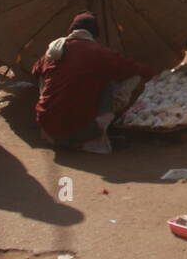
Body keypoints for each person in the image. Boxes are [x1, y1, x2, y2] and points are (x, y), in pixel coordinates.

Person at [31, 12, 155, 154]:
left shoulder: (54, 50)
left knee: (45, 75)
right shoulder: (100, 52)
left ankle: (60, 125)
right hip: (81, 131)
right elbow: (140, 71)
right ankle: (105, 129)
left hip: (48, 128)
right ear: (94, 33)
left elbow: (35, 70)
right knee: (136, 79)